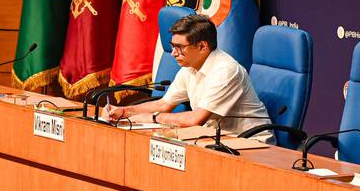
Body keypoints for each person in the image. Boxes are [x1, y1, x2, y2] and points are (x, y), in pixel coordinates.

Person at [102, 14, 272, 142]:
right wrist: (123, 112)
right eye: (172, 46)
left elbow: (195, 119)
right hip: (216, 139)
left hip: (251, 142)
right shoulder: (189, 67)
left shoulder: (226, 71)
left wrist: (154, 118)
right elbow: (164, 104)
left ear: (202, 46)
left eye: (179, 47)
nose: (174, 53)